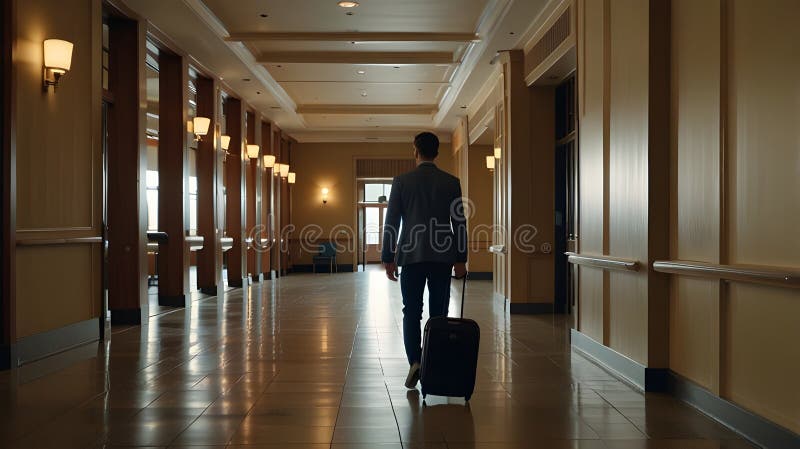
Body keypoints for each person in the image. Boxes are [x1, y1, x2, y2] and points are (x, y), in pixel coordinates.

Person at [381, 131, 468, 389]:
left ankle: (415, 362)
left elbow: (392, 221)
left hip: (410, 255)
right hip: (443, 257)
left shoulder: (402, 182)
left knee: (411, 311)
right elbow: (459, 222)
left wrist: (388, 256)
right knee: (439, 313)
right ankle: (435, 361)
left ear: (415, 151)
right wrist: (461, 258)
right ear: (437, 153)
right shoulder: (451, 182)